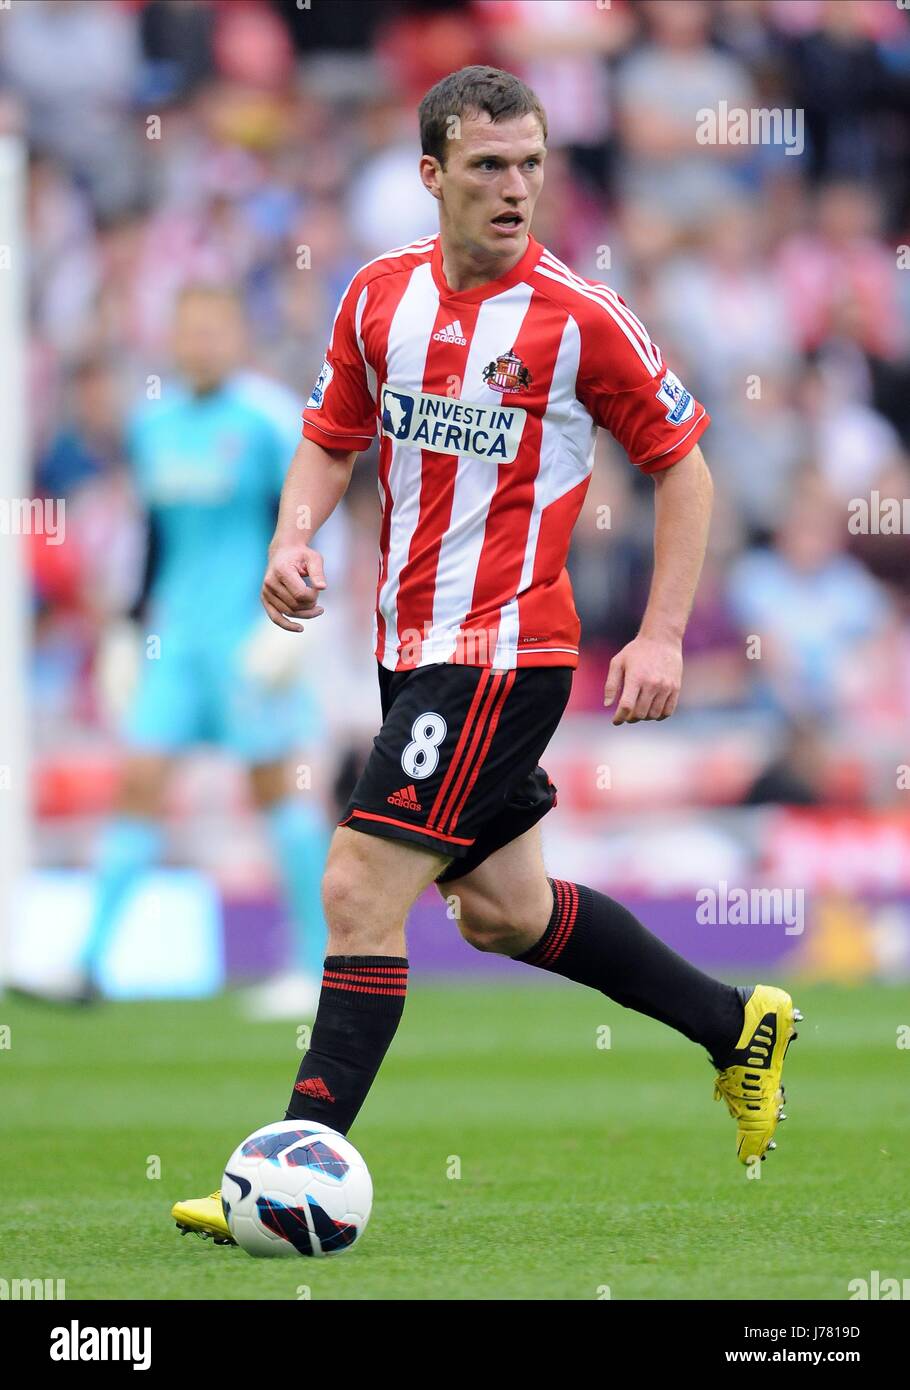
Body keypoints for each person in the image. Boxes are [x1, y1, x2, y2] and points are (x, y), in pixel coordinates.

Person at [172, 66, 800, 1244]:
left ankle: (292, 1170)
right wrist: (291, 536)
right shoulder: (374, 300)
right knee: (503, 912)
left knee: (358, 887)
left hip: (504, 651)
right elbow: (326, 442)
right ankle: (735, 1024)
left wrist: (661, 631)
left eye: (531, 166)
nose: (516, 190)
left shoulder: (581, 320)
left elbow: (685, 465)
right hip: (406, 651)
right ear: (431, 177)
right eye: (487, 168)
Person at [61, 286, 338, 1017]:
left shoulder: (270, 420)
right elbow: (154, 538)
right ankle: (89, 963)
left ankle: (313, 965)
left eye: (215, 330)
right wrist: (128, 625)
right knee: (139, 781)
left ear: (237, 336)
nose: (201, 344)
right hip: (175, 643)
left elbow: (310, 517)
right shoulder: (153, 426)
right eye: (190, 332)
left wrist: (295, 624)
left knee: (274, 789)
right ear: (173, 339)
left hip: (252, 636)